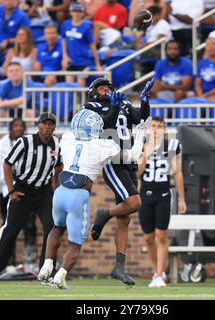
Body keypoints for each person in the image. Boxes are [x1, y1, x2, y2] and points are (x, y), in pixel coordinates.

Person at [37, 109, 150, 288]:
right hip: (78, 195)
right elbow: (133, 156)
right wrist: (141, 132)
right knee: (75, 245)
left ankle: (47, 264)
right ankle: (60, 275)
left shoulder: (67, 138)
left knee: (57, 228)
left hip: (60, 192)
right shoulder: (102, 145)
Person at [83, 76, 155, 286]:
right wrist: (113, 108)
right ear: (95, 91)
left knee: (125, 218)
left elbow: (141, 119)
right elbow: (104, 128)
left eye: (108, 88)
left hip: (129, 159)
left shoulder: (123, 103)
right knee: (134, 202)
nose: (106, 91)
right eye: (102, 88)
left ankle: (119, 267)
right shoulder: (91, 107)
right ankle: (104, 214)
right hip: (113, 159)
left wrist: (144, 99)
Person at [0, 112, 63, 284]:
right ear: (38, 125)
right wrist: (11, 190)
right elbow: (7, 163)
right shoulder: (24, 142)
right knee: (11, 231)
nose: (48, 127)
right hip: (23, 190)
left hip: (44, 192)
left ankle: (46, 272)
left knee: (52, 228)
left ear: (54, 126)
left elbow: (59, 164)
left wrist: (57, 186)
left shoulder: (56, 143)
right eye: (45, 123)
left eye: (51, 124)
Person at [137, 116, 187, 288]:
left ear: (164, 130)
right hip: (145, 194)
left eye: (160, 126)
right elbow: (137, 173)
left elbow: (177, 173)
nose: (156, 129)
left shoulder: (172, 146)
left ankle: (159, 274)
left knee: (161, 235)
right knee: (148, 237)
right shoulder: (141, 144)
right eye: (154, 126)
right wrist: (146, 153)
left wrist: (182, 198)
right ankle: (156, 270)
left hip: (164, 193)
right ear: (149, 129)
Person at [0, 118, 38, 271]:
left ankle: (29, 262)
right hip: (6, 191)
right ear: (10, 128)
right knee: (9, 227)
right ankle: (8, 263)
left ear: (24, 129)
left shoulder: (31, 143)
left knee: (30, 227)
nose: (18, 128)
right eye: (15, 126)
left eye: (21, 126)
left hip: (27, 190)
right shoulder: (1, 144)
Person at [61, 2, 101, 87]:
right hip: (70, 61)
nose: (76, 14)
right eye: (74, 11)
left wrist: (98, 64)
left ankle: (79, 101)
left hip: (83, 61)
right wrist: (64, 56)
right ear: (70, 12)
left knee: (80, 87)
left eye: (79, 12)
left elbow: (92, 45)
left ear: (82, 13)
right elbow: (64, 41)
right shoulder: (66, 24)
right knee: (68, 87)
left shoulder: (86, 27)